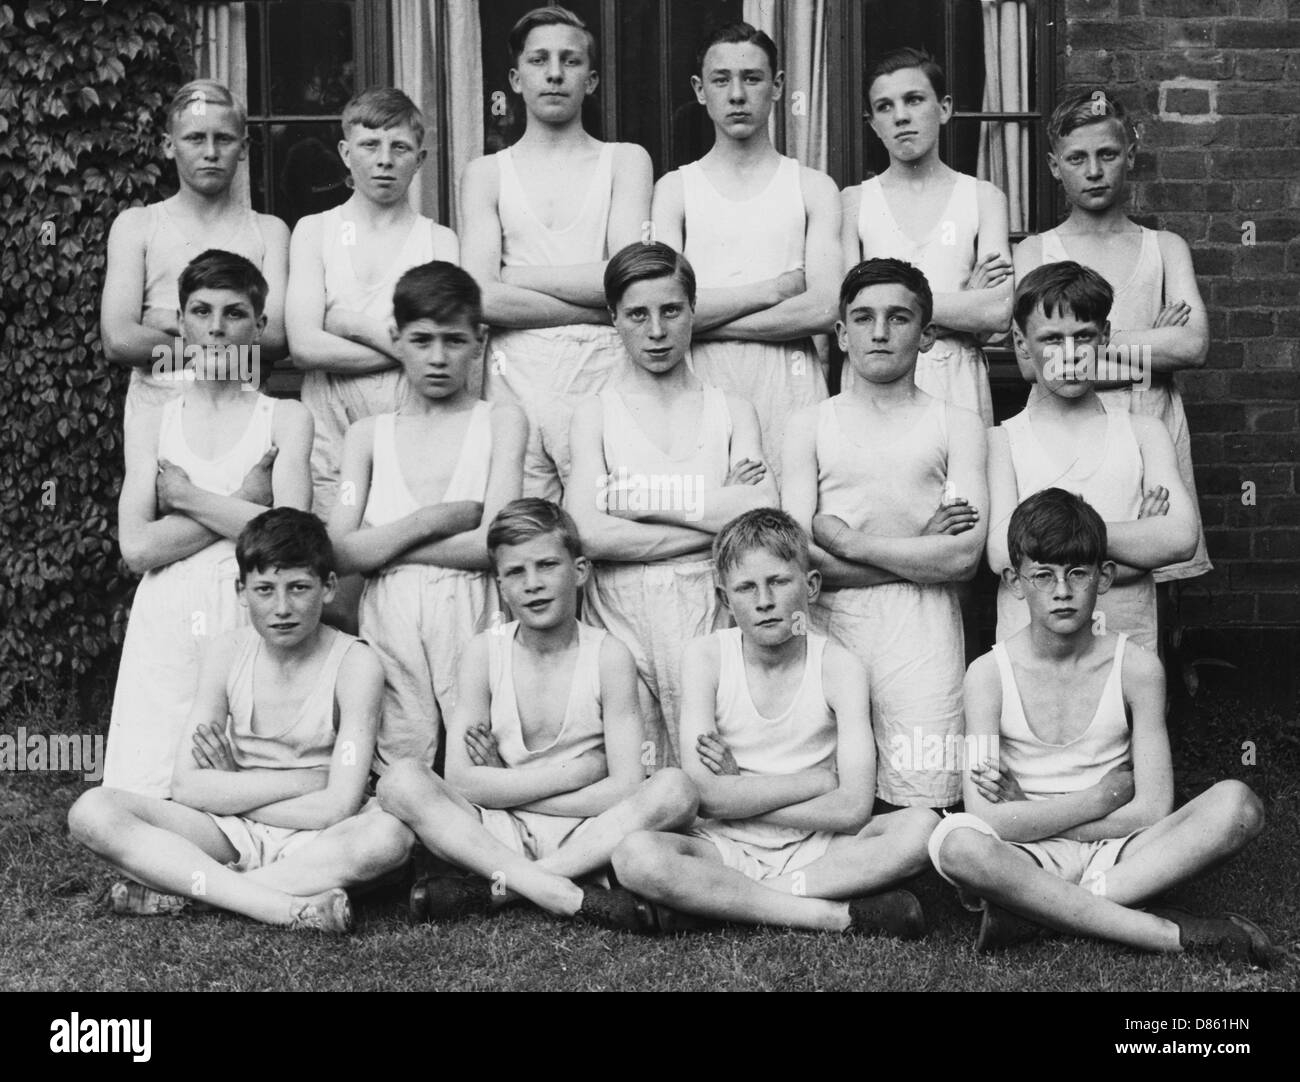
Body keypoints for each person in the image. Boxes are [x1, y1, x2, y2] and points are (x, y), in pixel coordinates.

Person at [928, 489, 1275, 965]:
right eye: (1043, 576)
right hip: (1025, 853)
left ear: (1104, 576)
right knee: (956, 844)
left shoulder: (1136, 668)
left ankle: (1033, 912)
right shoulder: (987, 676)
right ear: (1014, 581)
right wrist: (1100, 797)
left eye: (1078, 573)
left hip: (1119, 849)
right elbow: (987, 818)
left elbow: (1152, 808)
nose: (1062, 592)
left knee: (1238, 804)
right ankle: (1161, 932)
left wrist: (1033, 815)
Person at [70, 509, 414, 935]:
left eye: (299, 588)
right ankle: (283, 906)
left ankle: (196, 897)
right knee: (93, 810)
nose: (282, 608)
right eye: (265, 590)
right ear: (241, 591)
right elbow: (187, 786)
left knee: (389, 838)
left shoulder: (355, 662)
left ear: (327, 587)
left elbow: (338, 805)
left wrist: (231, 787)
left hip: (318, 837)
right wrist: (308, 778)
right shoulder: (225, 652)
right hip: (232, 829)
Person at [611, 509, 936, 936]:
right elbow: (705, 798)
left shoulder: (840, 667)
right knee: (634, 856)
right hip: (724, 843)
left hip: (815, 848)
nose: (764, 601)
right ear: (726, 600)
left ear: (811, 585)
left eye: (778, 582)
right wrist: (818, 781)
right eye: (746, 588)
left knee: (920, 826)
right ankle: (826, 915)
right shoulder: (706, 658)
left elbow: (854, 809)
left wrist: (739, 784)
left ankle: (724, 901)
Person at [377, 499, 699, 929]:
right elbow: (461, 779)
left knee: (675, 788)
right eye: (515, 572)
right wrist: (579, 771)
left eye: (547, 565)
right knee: (400, 781)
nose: (532, 584)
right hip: (499, 829)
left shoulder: (608, 656)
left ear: (579, 570)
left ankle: (507, 888)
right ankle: (562, 888)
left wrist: (503, 784)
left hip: (587, 830)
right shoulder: (483, 653)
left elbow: (624, 787)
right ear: (501, 584)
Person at [102, 251, 312, 798]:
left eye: (235, 313)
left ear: (260, 325)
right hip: (169, 609)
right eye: (201, 312)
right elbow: (139, 548)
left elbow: (292, 544)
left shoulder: (285, 417)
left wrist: (188, 497)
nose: (217, 329)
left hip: (250, 605)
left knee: (236, 775)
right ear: (181, 322)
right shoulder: (153, 420)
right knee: (152, 777)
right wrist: (246, 503)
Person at [783, 258, 987, 811]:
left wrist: (852, 545)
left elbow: (963, 558)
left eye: (899, 318)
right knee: (830, 780)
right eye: (864, 317)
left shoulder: (958, 424)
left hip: (922, 629)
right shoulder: (810, 424)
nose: (880, 331)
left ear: (927, 336)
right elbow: (800, 555)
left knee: (922, 787)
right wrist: (920, 545)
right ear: (841, 333)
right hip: (831, 622)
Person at [567, 242, 777, 767]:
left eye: (671, 311)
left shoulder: (732, 410)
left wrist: (635, 499)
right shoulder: (595, 414)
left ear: (692, 310)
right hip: (620, 612)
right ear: (614, 318)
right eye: (638, 314)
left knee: (718, 764)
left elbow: (759, 516)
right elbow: (588, 532)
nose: (656, 331)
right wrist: (712, 521)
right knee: (637, 773)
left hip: (710, 606)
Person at [328, 262, 526, 776]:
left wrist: (384, 545)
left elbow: (492, 546)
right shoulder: (367, 436)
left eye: (454, 340)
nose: (437, 357)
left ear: (481, 342)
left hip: (475, 613)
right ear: (395, 339)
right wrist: (433, 519)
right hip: (388, 616)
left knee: (481, 750)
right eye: (421, 340)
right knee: (398, 757)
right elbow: (340, 552)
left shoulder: (500, 421)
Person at [1013, 88, 1212, 587]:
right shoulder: (1035, 252)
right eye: (1077, 158)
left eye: (1107, 155)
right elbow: (1033, 366)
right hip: (1068, 429)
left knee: (1152, 565)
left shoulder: (1165, 248)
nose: (1094, 171)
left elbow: (1192, 346)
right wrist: (1151, 348)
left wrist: (1091, 348)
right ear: (1055, 166)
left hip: (1152, 423)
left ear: (1130, 155)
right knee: (1070, 565)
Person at [462, 5, 653, 502]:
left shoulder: (625, 162)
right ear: (516, 78)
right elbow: (482, 299)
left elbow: (628, 279)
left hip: (606, 370)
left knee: (611, 519)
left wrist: (515, 276)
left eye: (570, 62)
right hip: (515, 378)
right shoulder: (486, 174)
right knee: (526, 538)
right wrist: (600, 303)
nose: (553, 73)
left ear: (590, 81)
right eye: (539, 60)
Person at [652, 21, 840, 480]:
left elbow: (824, 306)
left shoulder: (813, 187)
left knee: (790, 525)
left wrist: (700, 322)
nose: (737, 94)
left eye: (752, 78)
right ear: (700, 89)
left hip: (789, 385)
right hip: (701, 385)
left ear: (776, 87)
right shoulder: (675, 189)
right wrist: (774, 290)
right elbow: (661, 304)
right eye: (721, 79)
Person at [988, 262, 1197, 652]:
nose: (1069, 355)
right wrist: (1134, 545)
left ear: (1104, 337)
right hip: (1032, 657)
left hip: (1126, 650)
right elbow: (1003, 552)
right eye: (1051, 339)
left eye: (1083, 336)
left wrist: (1049, 544)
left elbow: (1181, 537)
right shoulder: (1003, 441)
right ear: (1021, 343)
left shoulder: (1144, 432)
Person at [286, 87, 460, 525]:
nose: (385, 160)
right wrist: (406, 349)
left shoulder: (439, 242)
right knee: (339, 566)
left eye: (400, 147)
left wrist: (350, 323)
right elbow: (306, 347)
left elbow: (443, 356)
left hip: (413, 430)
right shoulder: (315, 232)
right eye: (370, 145)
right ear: (345, 153)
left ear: (420, 160)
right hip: (330, 435)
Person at [101, 80, 289, 419]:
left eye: (224, 139)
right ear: (169, 146)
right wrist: (232, 337)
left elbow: (275, 338)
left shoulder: (269, 232)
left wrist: (164, 324)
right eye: (195, 138)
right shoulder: (137, 226)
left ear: (244, 147)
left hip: (243, 419)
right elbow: (120, 341)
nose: (211, 152)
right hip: (157, 420)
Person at [841, 48, 1011, 424]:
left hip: (958, 380)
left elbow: (998, 311)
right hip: (874, 385)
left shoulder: (983, 198)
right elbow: (849, 312)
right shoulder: (854, 202)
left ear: (944, 108)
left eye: (914, 100)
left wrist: (891, 309)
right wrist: (966, 305)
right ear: (872, 123)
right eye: (884, 107)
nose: (901, 116)